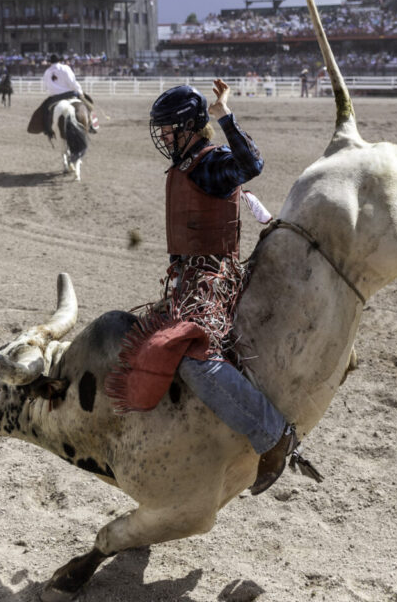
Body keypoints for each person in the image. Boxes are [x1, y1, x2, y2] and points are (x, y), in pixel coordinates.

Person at [131, 80, 297, 495]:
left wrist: (225, 117)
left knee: (194, 360)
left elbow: (251, 164)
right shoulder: (186, 164)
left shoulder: (211, 163)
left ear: (190, 127)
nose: (163, 136)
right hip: (186, 281)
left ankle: (273, 435)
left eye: (169, 129)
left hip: (212, 279)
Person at [28, 54, 97, 136]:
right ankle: (92, 125)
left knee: (45, 110)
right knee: (89, 104)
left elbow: (46, 87)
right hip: (70, 93)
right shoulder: (65, 68)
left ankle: (47, 128)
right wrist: (80, 92)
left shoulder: (47, 72)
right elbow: (72, 82)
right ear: (60, 61)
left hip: (55, 97)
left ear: (50, 62)